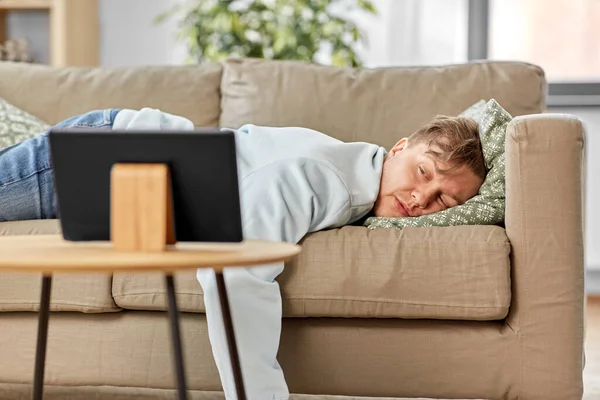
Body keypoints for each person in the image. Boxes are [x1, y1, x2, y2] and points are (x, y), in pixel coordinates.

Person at [0, 108, 486, 399]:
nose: (423, 199)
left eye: (446, 199)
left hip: (120, 167)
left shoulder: (356, 177)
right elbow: (235, 270)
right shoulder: (327, 179)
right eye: (423, 173)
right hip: (108, 156)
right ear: (399, 148)